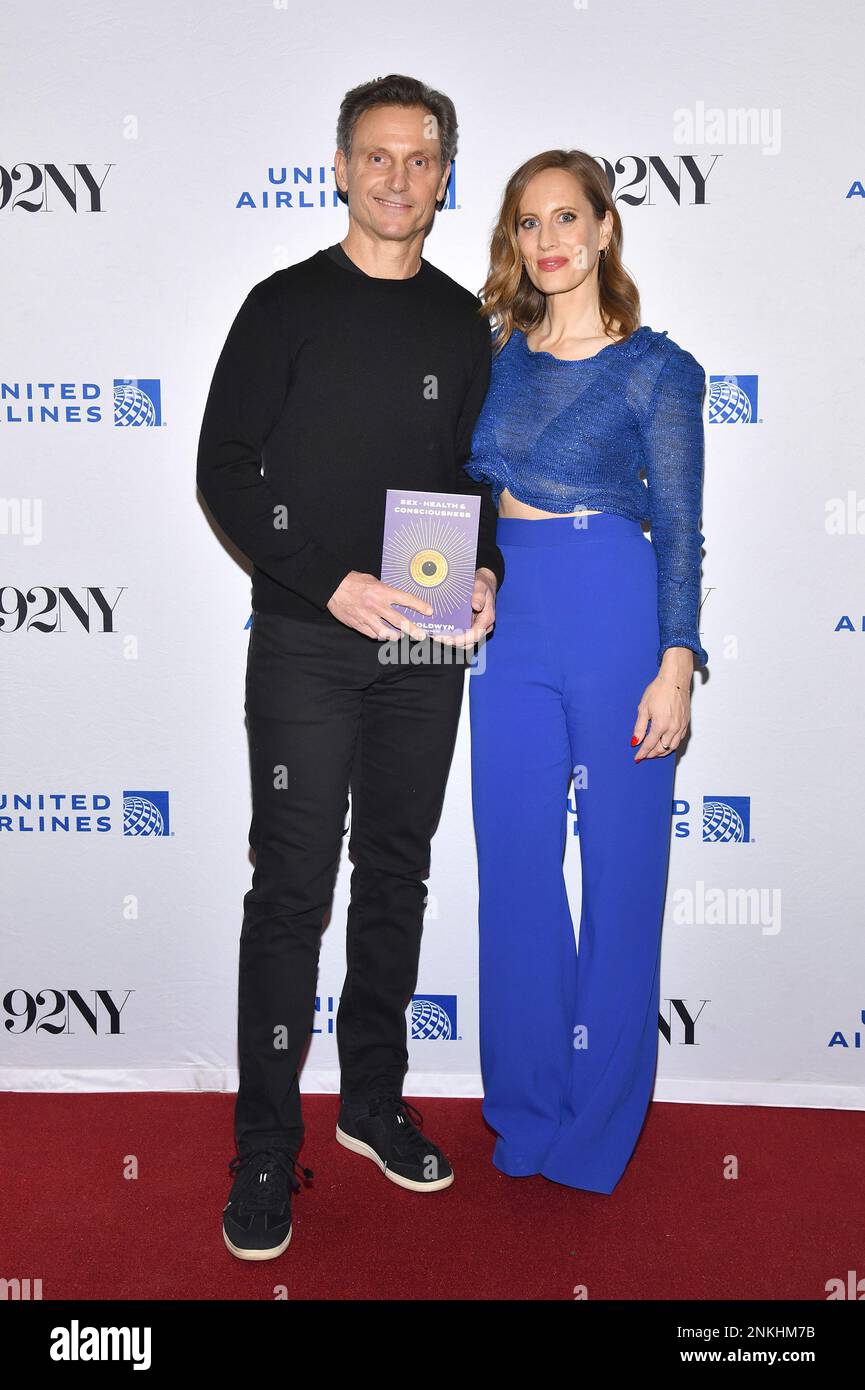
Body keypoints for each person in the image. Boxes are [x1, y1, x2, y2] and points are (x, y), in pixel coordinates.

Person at [196, 73, 504, 1259]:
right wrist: (329, 581)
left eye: (419, 159)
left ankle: (372, 1098)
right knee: (289, 891)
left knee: (397, 871)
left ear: (442, 178)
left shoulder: (457, 325)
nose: (396, 177)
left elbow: (473, 483)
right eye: (375, 156)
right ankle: (266, 1147)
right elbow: (227, 469)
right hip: (310, 641)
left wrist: (487, 578)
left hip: (427, 640)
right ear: (339, 168)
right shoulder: (281, 305)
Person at [462, 149, 708, 1195]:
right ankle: (524, 1111)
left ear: (605, 227)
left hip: (614, 604)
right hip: (508, 615)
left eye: (567, 217)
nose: (549, 239)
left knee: (622, 876)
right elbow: (455, 489)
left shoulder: (659, 368)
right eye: (528, 222)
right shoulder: (490, 350)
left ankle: (598, 1126)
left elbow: (681, 528)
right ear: (513, 239)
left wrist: (678, 663)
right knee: (513, 872)